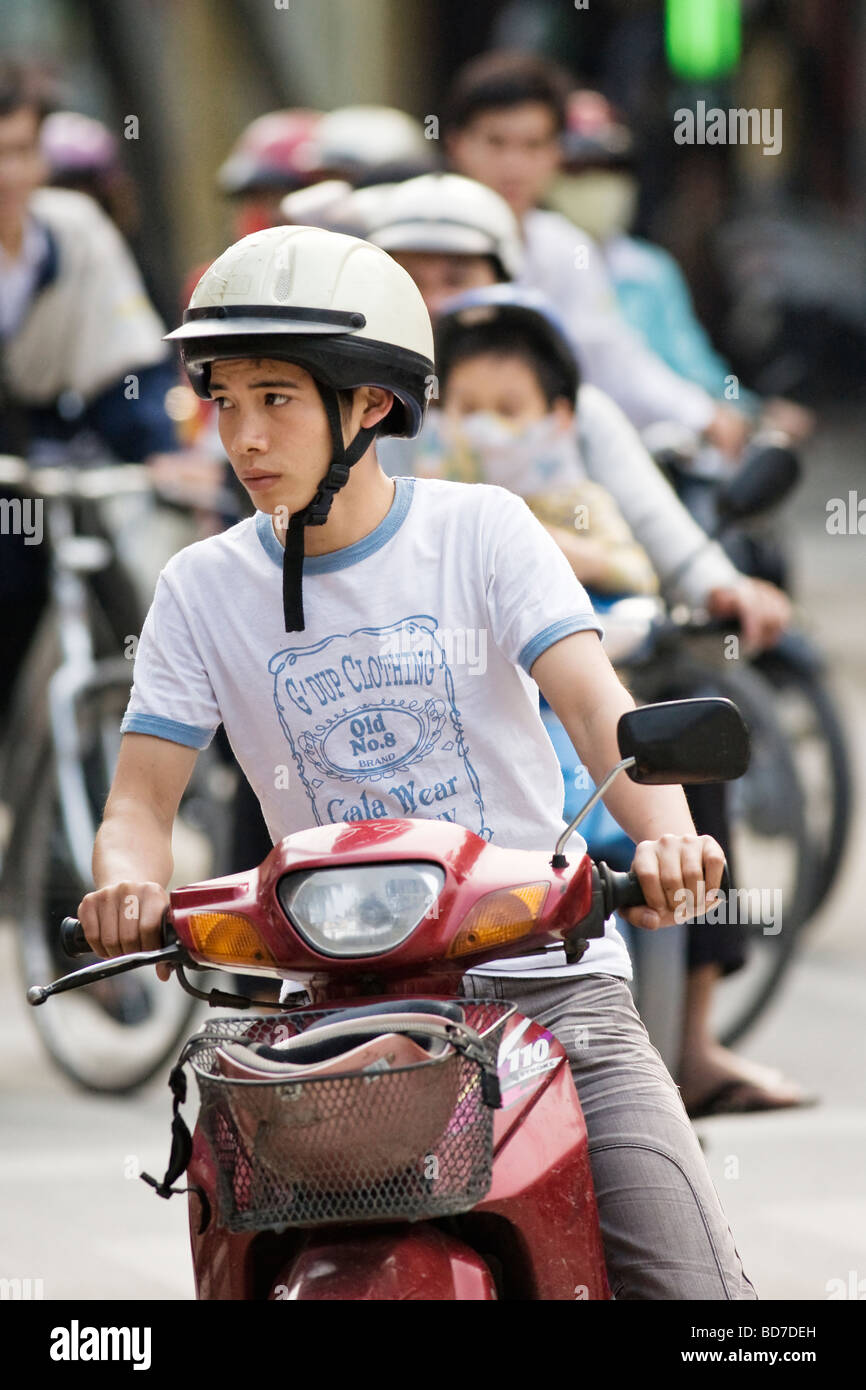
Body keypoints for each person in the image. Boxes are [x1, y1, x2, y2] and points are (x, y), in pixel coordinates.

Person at [78, 222, 756, 1299]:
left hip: (546, 984)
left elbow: (597, 711)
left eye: (275, 399)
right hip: (320, 1014)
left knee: (699, 1301)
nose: (243, 436)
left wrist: (670, 842)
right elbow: (138, 806)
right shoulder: (198, 590)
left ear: (369, 406)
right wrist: (127, 883)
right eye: (226, 401)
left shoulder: (483, 532)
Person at [363, 174, 808, 1116]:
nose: (440, 298)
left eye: (458, 274)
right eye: (417, 277)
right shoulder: (375, 417)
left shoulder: (580, 409)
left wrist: (719, 586)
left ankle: (691, 1047)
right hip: (425, 683)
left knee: (680, 765)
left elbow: (658, 525)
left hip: (592, 663)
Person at [442, 50, 753, 456]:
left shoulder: (564, 247)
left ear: (556, 153)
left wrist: (702, 414)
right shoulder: (417, 235)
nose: (514, 165)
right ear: (456, 143)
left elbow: (610, 357)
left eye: (533, 145)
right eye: (496, 143)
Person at [0, 60, 178, 717]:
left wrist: (157, 450)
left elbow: (124, 364)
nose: (7, 175)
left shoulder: (75, 231)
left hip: (56, 459)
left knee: (140, 594)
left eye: (20, 151)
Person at [549, 89, 816, 446]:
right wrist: (704, 413)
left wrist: (747, 409)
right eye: (579, 170)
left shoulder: (648, 270)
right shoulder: (531, 254)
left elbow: (692, 365)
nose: (596, 184)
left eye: (610, 169)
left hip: (662, 443)